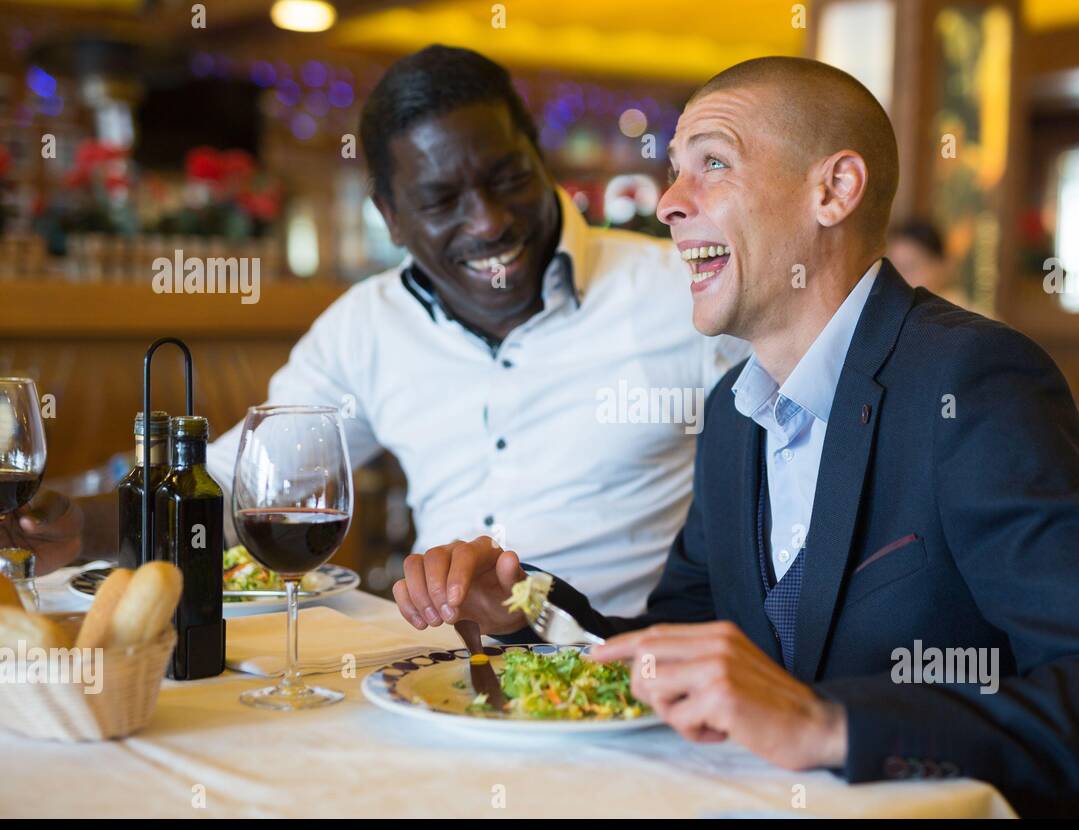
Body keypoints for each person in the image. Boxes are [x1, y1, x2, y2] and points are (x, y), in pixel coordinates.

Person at [395, 57, 1079, 816]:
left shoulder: (973, 382)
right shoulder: (731, 414)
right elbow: (670, 654)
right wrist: (522, 613)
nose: (669, 201)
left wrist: (828, 724)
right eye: (675, 170)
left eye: (711, 163)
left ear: (835, 191)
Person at [4, 45, 742, 620]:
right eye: (441, 199)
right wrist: (85, 529)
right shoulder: (367, 325)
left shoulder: (685, 292)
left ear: (538, 159)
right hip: (424, 670)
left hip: (617, 673)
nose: (487, 220)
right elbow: (242, 487)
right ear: (390, 217)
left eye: (509, 177)